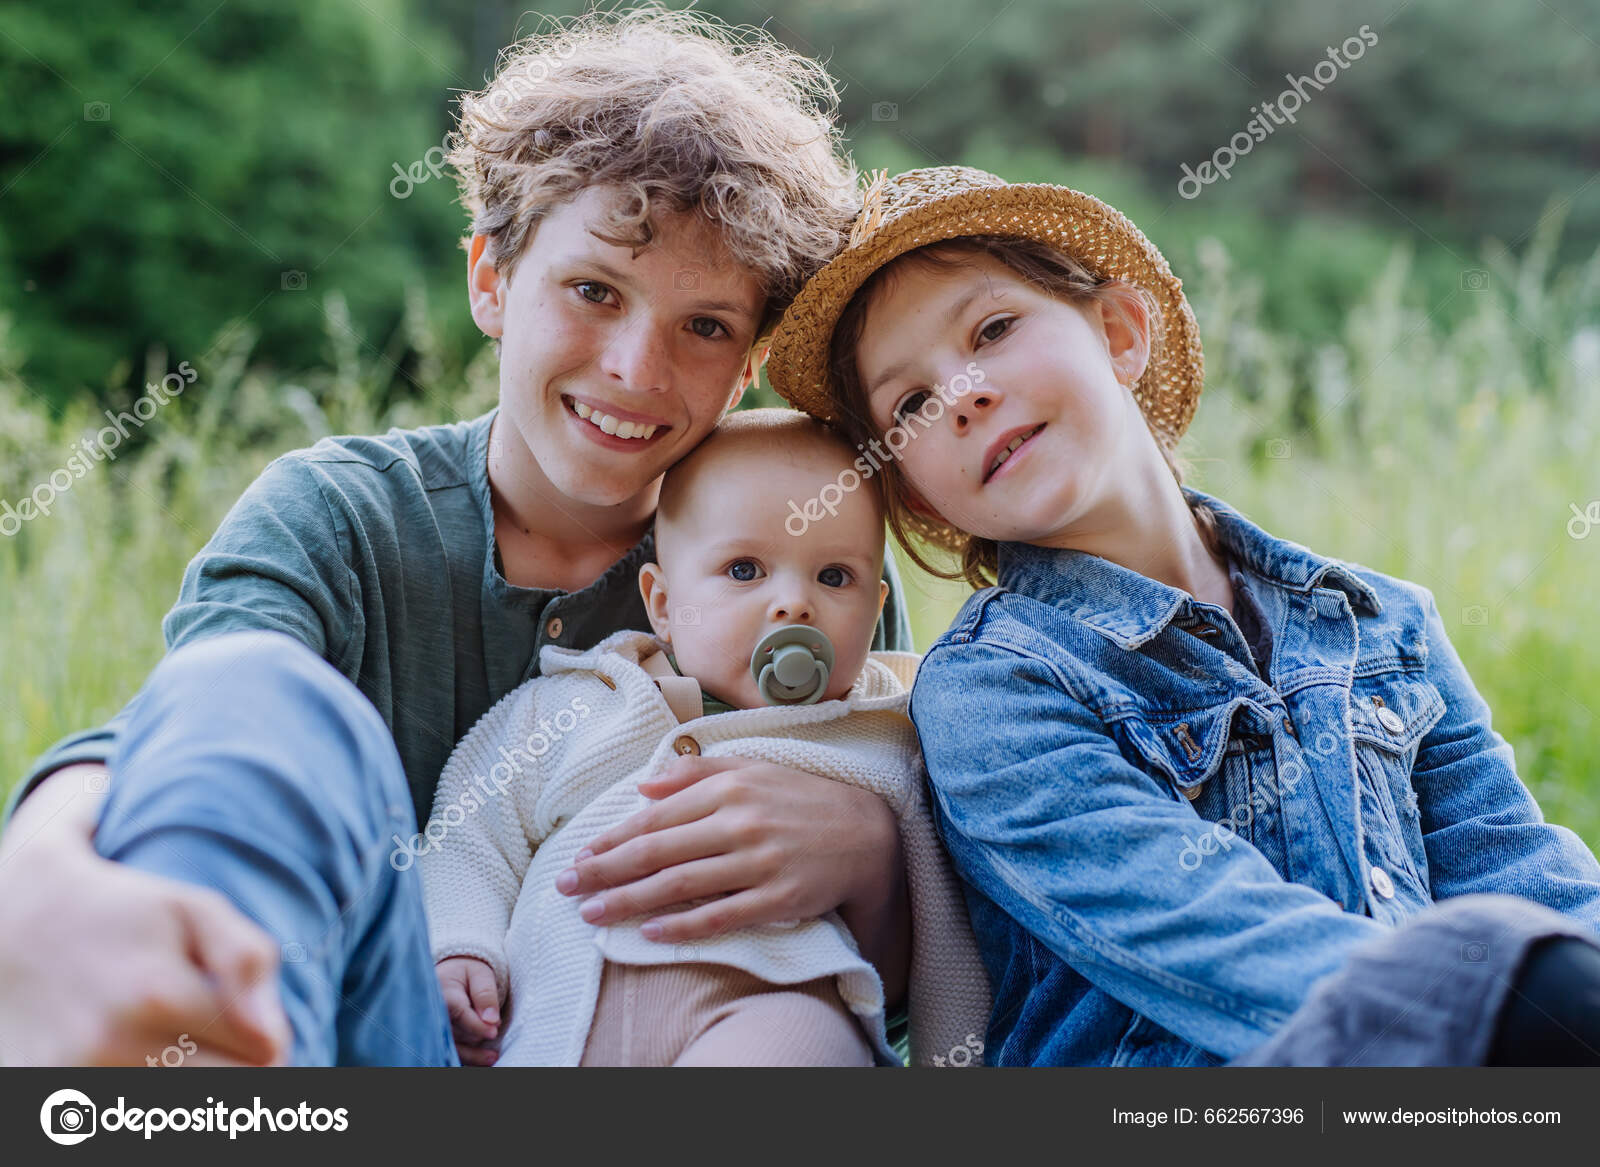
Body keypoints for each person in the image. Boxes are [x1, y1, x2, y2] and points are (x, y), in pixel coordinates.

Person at [0, 10, 917, 1067]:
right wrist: (39, 866)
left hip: (683, 1042)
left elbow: (873, 991)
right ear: (490, 280)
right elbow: (198, 735)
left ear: (747, 360)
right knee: (263, 686)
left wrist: (871, 861)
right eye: (591, 291)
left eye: (704, 325)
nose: (635, 367)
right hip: (369, 1040)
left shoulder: (807, 560)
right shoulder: (338, 515)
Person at [764, 164, 1600, 1066]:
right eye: (912, 403)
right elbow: (1217, 939)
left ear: (1121, 334)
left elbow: (1525, 875)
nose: (962, 395)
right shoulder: (994, 688)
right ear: (919, 498)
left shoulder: (1379, 622)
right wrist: (1506, 1000)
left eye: (993, 329)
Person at [420, 409, 989, 1066]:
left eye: (834, 576)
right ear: (663, 604)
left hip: (771, 1008)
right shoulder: (584, 702)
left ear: (876, 608)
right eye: (745, 569)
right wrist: (461, 943)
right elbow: (470, 828)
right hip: (550, 1027)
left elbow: (953, 922)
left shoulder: (891, 736)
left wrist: (954, 1054)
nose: (793, 605)